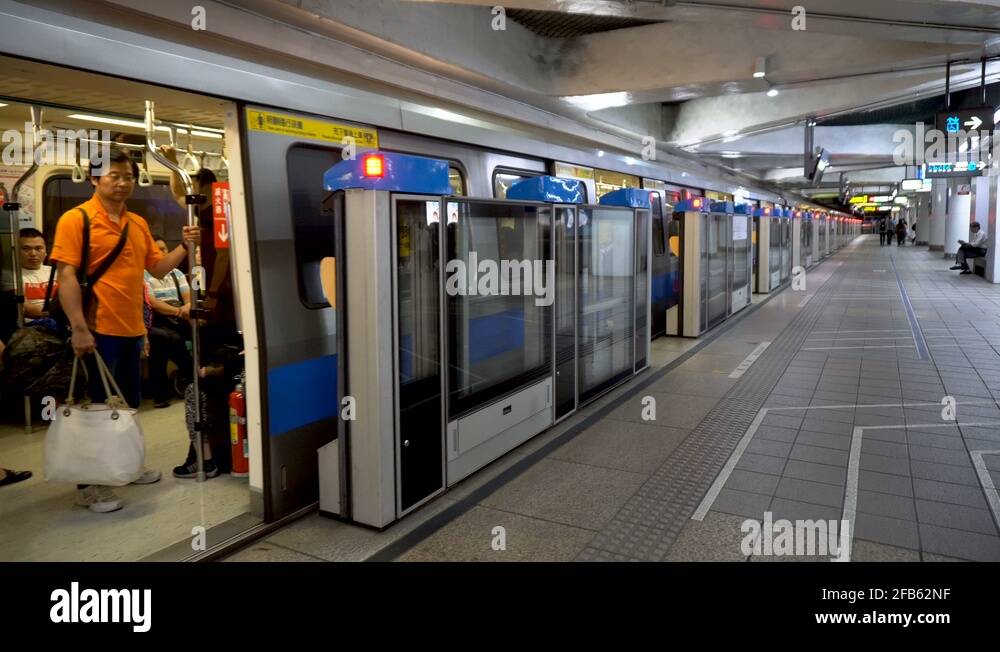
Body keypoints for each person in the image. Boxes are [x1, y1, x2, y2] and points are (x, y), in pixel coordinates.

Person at [51, 147, 200, 513]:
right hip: (97, 329)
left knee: (128, 406)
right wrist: (79, 329)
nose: (122, 183)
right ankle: (91, 486)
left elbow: (160, 269)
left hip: (132, 328)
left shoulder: (136, 223)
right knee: (97, 409)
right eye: (113, 176)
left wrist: (184, 245)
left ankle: (122, 466)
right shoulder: (77, 219)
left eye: (128, 177)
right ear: (94, 179)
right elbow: (67, 278)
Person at [144, 239, 193, 408]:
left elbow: (188, 298)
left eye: (164, 249)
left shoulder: (176, 273)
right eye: (157, 250)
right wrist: (178, 311)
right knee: (164, 338)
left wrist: (186, 308)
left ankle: (163, 391)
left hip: (180, 316)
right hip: (157, 319)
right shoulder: (143, 274)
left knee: (203, 330)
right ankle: (191, 376)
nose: (162, 253)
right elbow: (153, 303)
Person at [19, 228, 57, 323]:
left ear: (45, 251)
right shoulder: (13, 276)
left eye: (38, 248)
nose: (33, 254)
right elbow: (25, 309)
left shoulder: (56, 272)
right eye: (26, 249)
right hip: (30, 329)